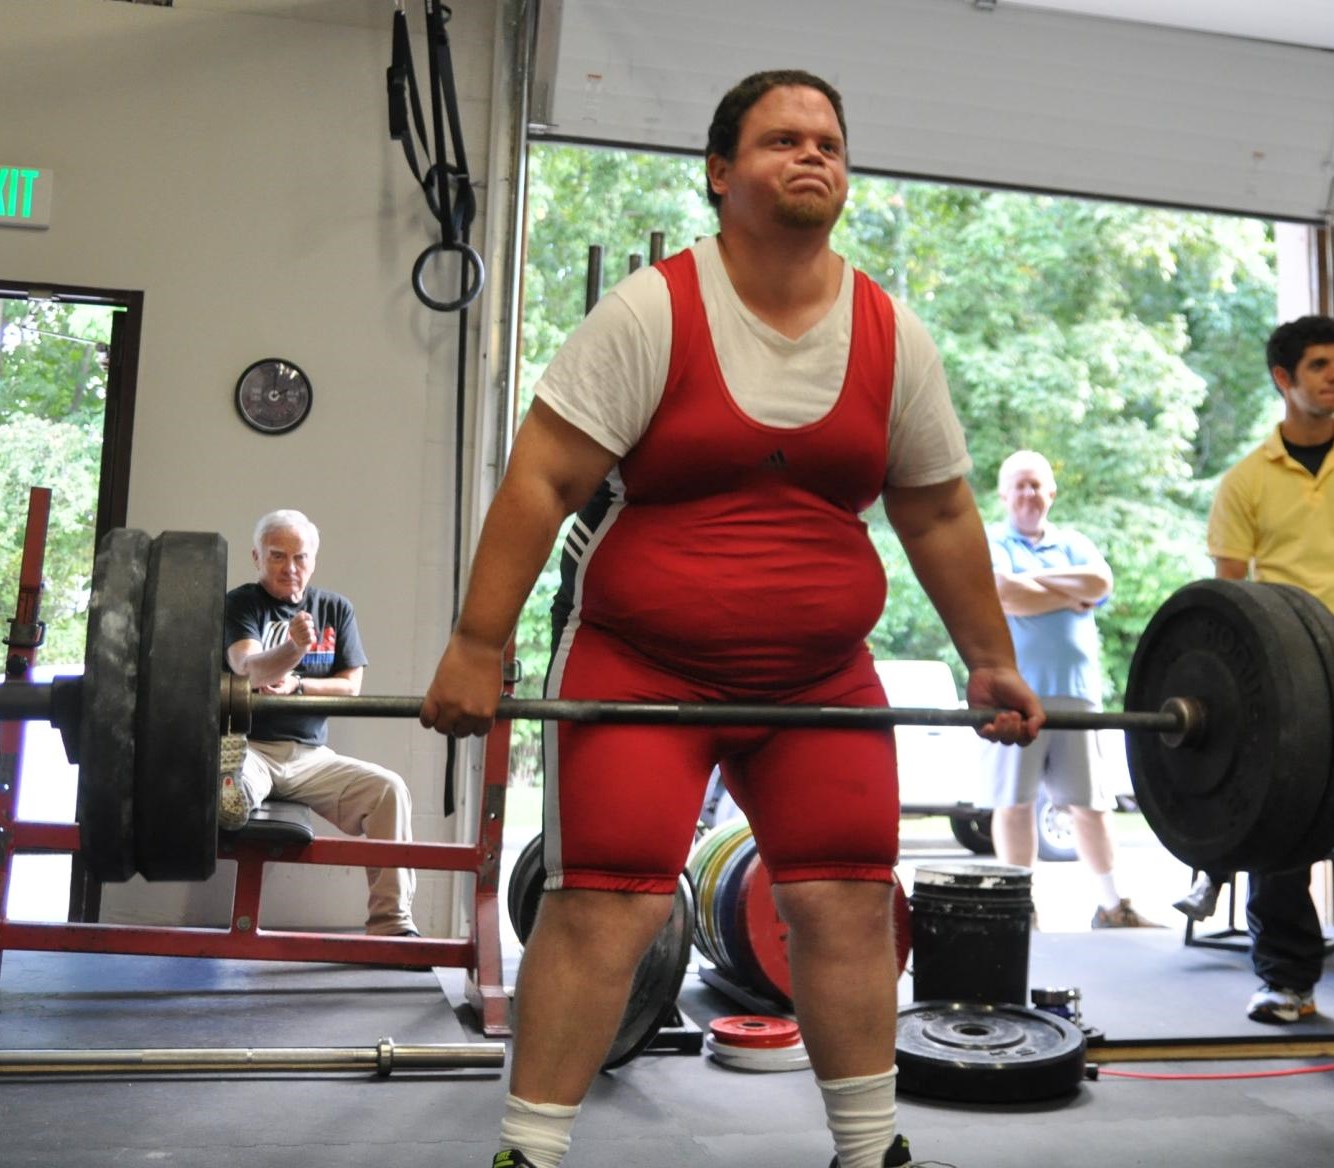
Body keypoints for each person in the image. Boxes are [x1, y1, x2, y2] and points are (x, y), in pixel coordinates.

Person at [421, 69, 1043, 1168]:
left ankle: (867, 1149)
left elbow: (938, 508)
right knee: (607, 904)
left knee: (849, 904)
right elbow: (542, 478)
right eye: (780, 141)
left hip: (820, 680)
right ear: (719, 173)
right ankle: (527, 1151)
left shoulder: (891, 335)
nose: (811, 157)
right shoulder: (652, 310)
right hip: (639, 667)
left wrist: (986, 658)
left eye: (829, 145)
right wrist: (478, 646)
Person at [1192, 312, 1334, 1023]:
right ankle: (1287, 981)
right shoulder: (1246, 481)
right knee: (1283, 829)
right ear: (1284, 379)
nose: (1333, 376)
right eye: (1318, 365)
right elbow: (1231, 598)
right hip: (1294, 678)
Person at [981, 450, 1158, 929]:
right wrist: (1068, 593)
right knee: (1015, 805)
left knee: (1092, 805)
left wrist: (1033, 583)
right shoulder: (992, 541)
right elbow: (1001, 592)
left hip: (1077, 694)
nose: (1028, 494)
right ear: (1003, 494)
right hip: (1015, 693)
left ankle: (1113, 907)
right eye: (1019, 485)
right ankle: (1019, 910)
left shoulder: (1074, 541)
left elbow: (1100, 581)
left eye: (1036, 485)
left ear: (1051, 492)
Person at [220, 509, 418, 938]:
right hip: (250, 748)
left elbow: (351, 686)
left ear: (314, 560)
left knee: (389, 790)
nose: (290, 568)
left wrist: (296, 685)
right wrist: (293, 649)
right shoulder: (241, 604)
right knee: (230, 795)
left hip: (311, 757)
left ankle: (392, 924)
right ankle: (223, 793)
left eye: (300, 557)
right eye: (277, 556)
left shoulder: (335, 608)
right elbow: (248, 669)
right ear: (256, 556)